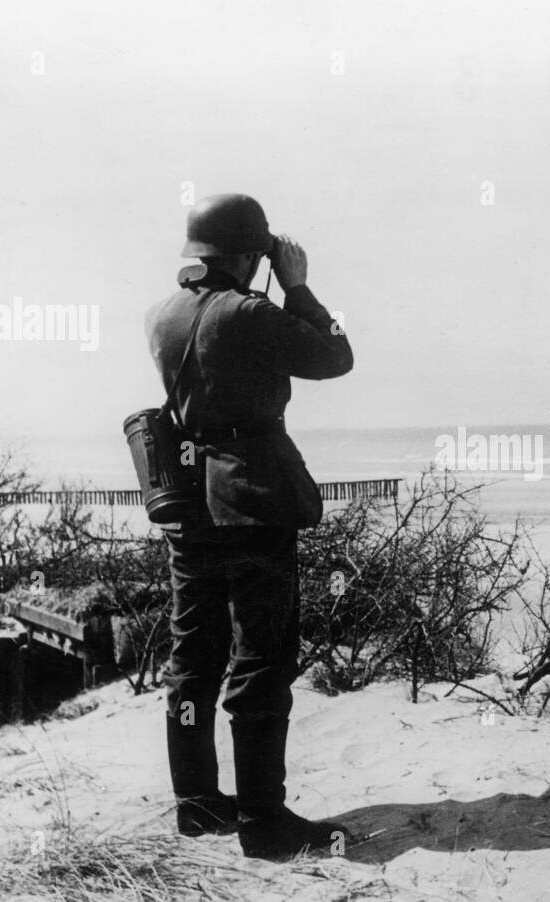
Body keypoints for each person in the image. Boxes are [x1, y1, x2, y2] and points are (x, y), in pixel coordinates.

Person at [144, 192, 354, 858]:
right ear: (248, 252)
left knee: (192, 661)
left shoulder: (163, 315)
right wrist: (297, 284)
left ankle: (199, 806)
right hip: (254, 499)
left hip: (187, 504)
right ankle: (265, 824)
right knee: (262, 661)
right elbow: (333, 357)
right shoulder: (251, 313)